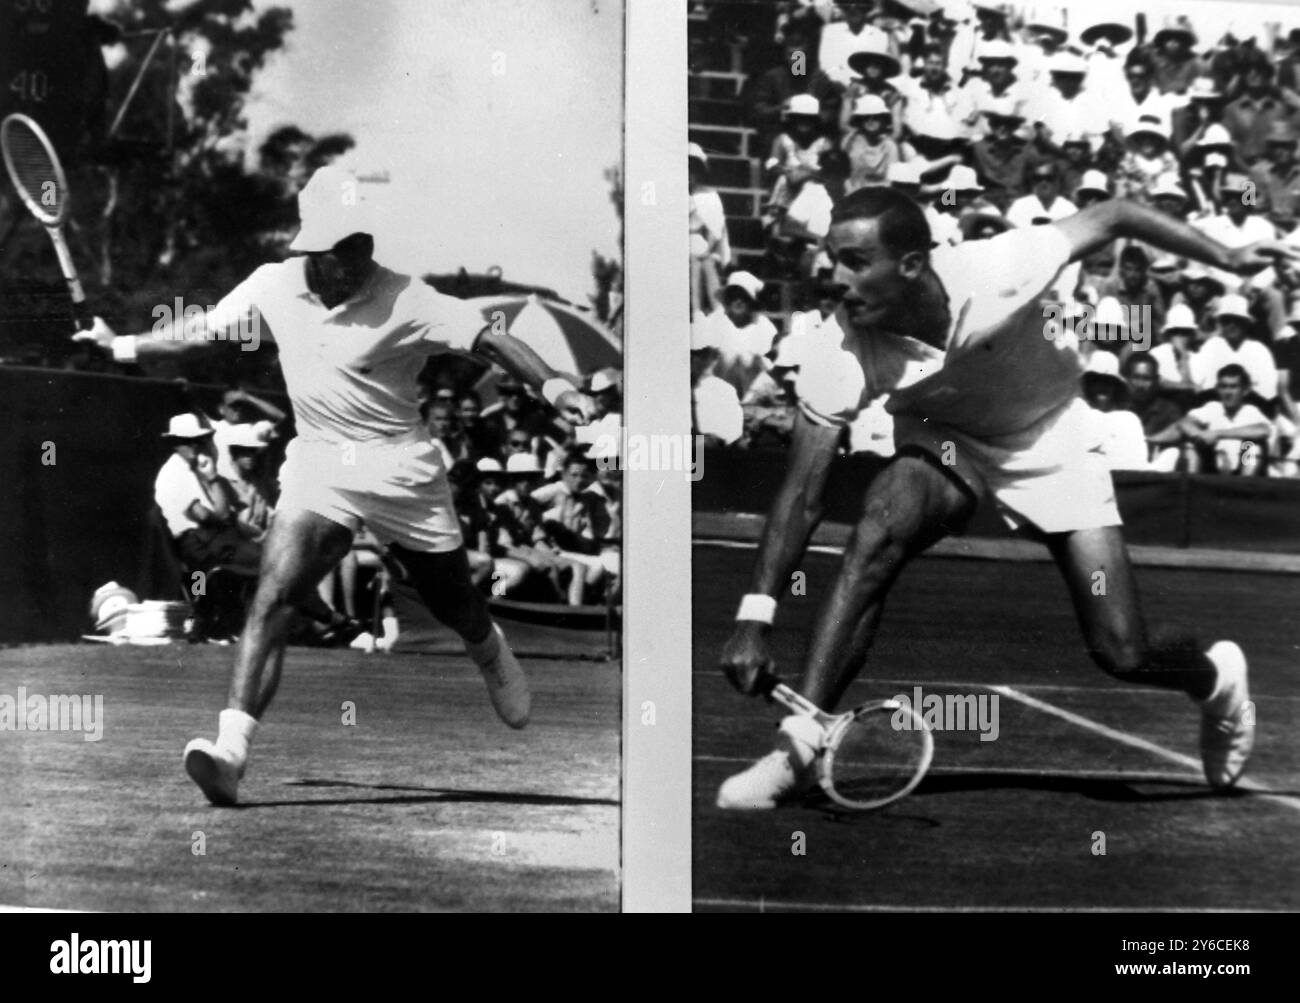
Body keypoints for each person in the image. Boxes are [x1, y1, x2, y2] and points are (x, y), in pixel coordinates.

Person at [715, 185, 1297, 810]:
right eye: (832, 258)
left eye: (856, 262)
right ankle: (798, 746)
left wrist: (1229, 257)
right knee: (881, 520)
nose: (835, 278)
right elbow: (802, 493)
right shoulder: (838, 351)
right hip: (946, 439)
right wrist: (756, 616)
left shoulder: (1000, 267)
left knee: (1122, 651)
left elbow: (1116, 214)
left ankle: (1217, 680)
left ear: (911, 266)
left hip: (1052, 437)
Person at [80, 165, 597, 805]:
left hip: (400, 468)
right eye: (340, 246)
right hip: (321, 465)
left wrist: (554, 384)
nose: (356, 257)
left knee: (453, 602)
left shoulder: (410, 298)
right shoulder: (273, 287)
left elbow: (492, 340)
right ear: (310, 250)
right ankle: (230, 754)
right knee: (275, 591)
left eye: (362, 242)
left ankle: (489, 650)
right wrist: (122, 343)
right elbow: (198, 330)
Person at [1150, 364, 1272, 475]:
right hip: (1214, 469)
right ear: (1218, 389)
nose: (1228, 392)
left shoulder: (1250, 411)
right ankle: (1191, 492)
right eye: (1223, 387)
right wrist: (1199, 435)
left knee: (1252, 447)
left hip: (1241, 471)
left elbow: (1264, 430)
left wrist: (1217, 434)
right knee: (1190, 446)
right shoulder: (1213, 407)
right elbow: (1184, 423)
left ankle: (1243, 492)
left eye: (1233, 387)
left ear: (1245, 391)